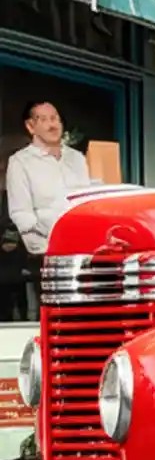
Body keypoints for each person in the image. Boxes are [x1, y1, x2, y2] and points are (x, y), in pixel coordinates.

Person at [6, 100, 93, 310]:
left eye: (54, 118)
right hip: (47, 256)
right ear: (30, 126)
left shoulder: (77, 159)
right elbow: (21, 214)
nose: (52, 125)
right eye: (43, 119)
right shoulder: (20, 162)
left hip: (83, 253)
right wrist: (52, 236)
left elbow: (87, 200)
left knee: (87, 317)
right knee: (57, 320)